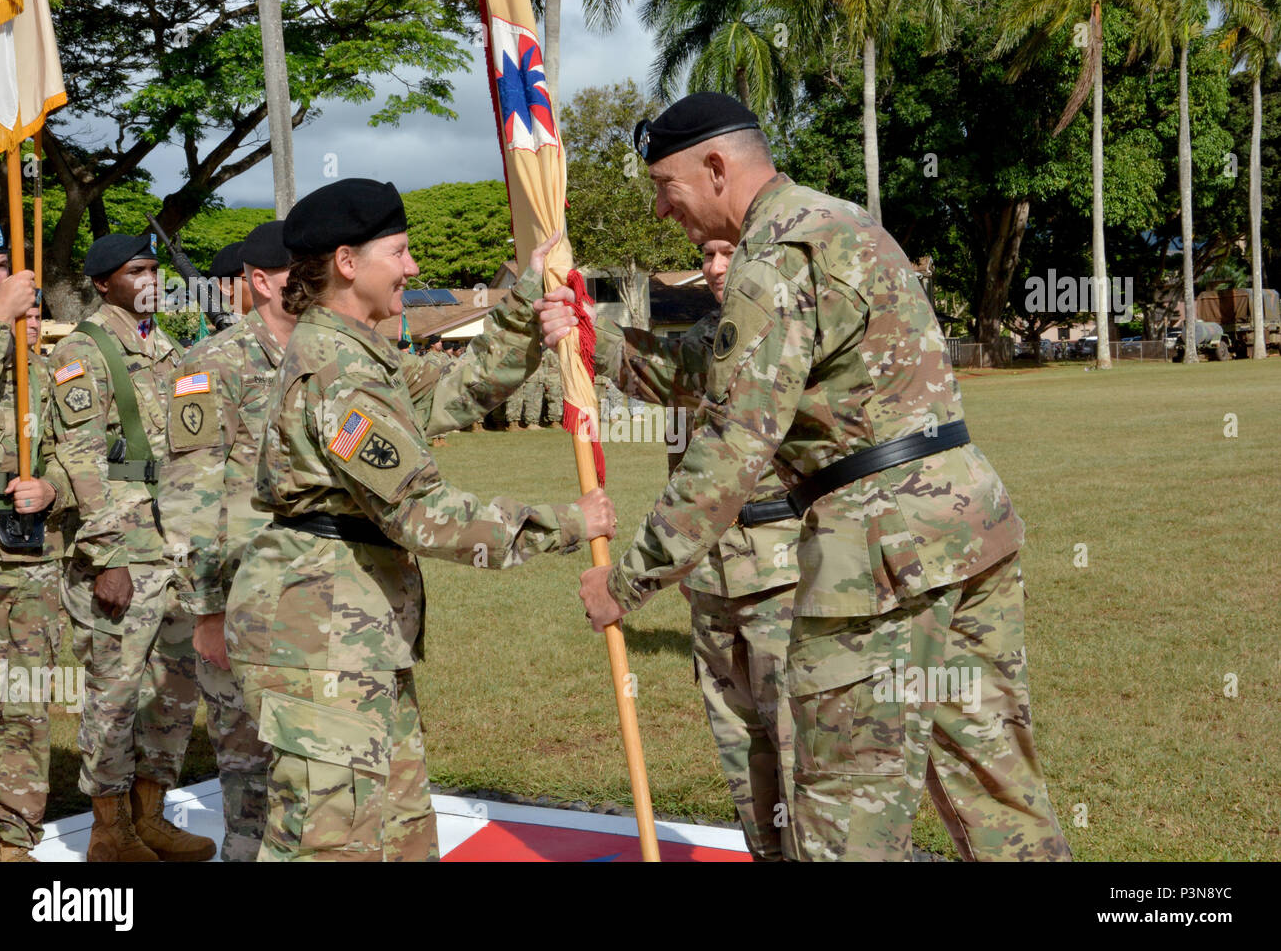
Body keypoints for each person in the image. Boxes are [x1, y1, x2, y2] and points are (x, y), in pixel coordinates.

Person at [545, 92, 1070, 862]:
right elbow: (710, 365)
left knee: (844, 814)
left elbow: (729, 451)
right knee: (993, 787)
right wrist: (597, 342)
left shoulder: (770, 259)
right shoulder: (839, 221)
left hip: (877, 552)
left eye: (665, 185)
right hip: (967, 524)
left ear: (716, 166)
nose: (663, 210)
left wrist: (624, 584)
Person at [224, 178, 616, 862]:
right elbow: (419, 512)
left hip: (358, 637)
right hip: (321, 646)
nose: (412, 268)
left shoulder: (359, 353)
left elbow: (457, 393)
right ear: (348, 263)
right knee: (334, 843)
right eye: (400, 253)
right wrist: (566, 521)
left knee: (399, 834)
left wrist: (528, 306)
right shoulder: (336, 372)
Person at [574, 239, 800, 860]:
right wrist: (578, 323)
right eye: (707, 254)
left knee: (806, 761)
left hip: (789, 573)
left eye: (730, 252)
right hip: (712, 577)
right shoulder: (706, 337)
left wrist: (627, 583)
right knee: (744, 759)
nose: (716, 266)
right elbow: (653, 365)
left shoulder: (793, 328)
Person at [47, 233, 217, 862]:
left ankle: (152, 813)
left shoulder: (169, 348)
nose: (150, 279)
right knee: (114, 692)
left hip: (175, 545)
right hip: (121, 547)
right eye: (135, 271)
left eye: (153, 269)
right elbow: (81, 460)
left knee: (175, 686)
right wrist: (109, 556)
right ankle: (108, 828)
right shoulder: (81, 354)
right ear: (101, 282)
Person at [160, 221, 298, 861]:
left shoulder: (328, 352)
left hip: (313, 600)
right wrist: (209, 612)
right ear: (262, 280)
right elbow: (191, 497)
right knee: (248, 767)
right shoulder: (213, 363)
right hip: (240, 598)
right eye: (297, 269)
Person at [0, 233, 73, 863]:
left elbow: (83, 446)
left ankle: (11, 837)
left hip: (25, 559)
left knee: (22, 700)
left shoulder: (39, 359)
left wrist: (54, 487)